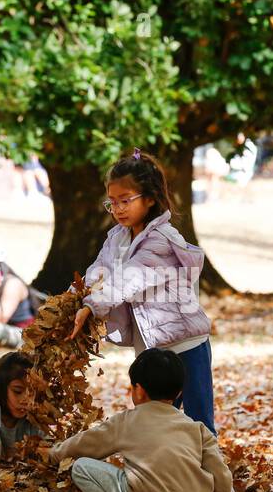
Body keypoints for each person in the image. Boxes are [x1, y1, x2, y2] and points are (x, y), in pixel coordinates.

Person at [67, 148, 217, 434]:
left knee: (199, 423)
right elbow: (99, 271)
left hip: (185, 345)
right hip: (151, 350)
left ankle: (209, 477)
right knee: (154, 426)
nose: (118, 209)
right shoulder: (117, 238)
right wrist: (74, 299)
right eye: (112, 203)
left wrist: (92, 306)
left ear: (149, 199)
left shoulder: (161, 240)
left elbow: (128, 279)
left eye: (125, 201)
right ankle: (162, 475)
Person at [44, 348, 241, 492]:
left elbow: (85, 444)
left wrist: (53, 454)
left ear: (138, 390)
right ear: (179, 392)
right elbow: (220, 473)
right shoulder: (197, 428)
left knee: (81, 467)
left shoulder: (126, 421)